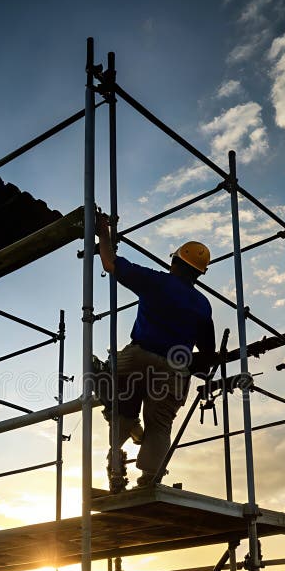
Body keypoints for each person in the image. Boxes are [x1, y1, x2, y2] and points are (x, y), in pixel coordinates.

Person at [96, 211, 216, 492]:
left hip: (137, 357)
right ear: (200, 273)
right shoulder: (202, 305)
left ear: (174, 262)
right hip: (174, 367)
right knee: (160, 424)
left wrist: (103, 231)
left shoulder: (157, 281)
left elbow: (108, 262)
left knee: (120, 407)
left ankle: (116, 461)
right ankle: (149, 479)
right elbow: (208, 352)